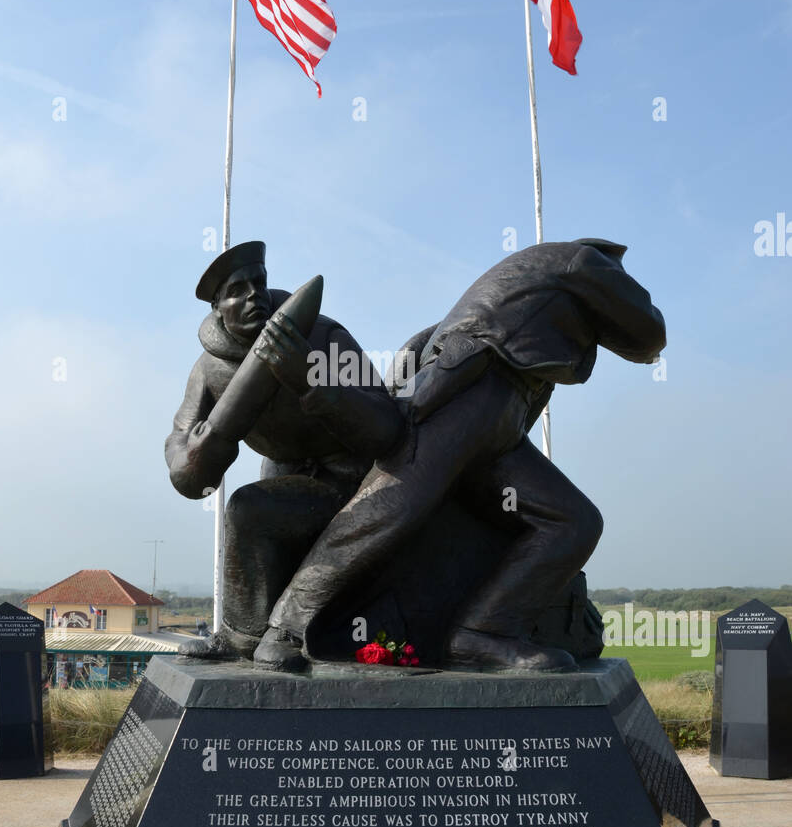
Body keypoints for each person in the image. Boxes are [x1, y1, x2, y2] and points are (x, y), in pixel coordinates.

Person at [259, 239, 666, 672]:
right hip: (469, 388)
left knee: (573, 521)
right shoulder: (584, 261)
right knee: (389, 505)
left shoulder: (547, 284)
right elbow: (648, 334)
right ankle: (285, 629)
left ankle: (481, 633)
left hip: (501, 415)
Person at [165, 240, 404, 664]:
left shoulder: (323, 336)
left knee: (248, 509)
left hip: (351, 479)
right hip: (284, 476)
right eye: (238, 290)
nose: (254, 294)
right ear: (218, 307)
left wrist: (311, 377)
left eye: (259, 282)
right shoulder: (209, 368)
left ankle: (247, 637)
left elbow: (386, 427)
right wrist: (192, 454)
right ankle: (251, 634)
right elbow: (180, 440)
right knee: (258, 507)